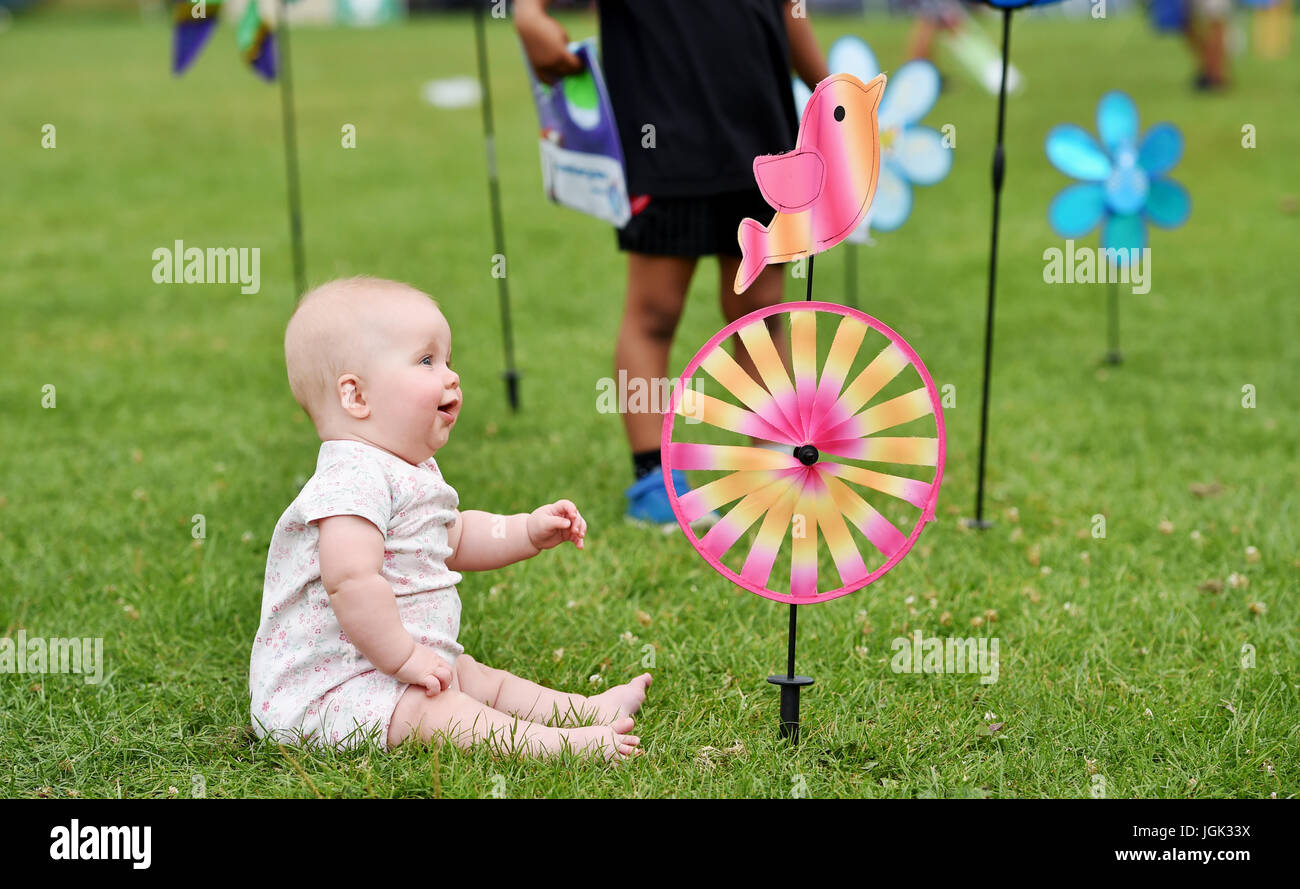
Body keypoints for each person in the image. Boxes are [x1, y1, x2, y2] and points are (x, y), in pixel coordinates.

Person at [250, 277, 648, 760]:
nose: (451, 376)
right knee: (433, 710)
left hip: (387, 665)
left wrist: (525, 529)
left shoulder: (407, 468)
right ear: (356, 397)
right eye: (425, 361)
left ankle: (585, 709)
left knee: (476, 677)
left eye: (447, 359)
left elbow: (452, 537)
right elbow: (350, 580)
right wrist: (405, 657)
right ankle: (559, 745)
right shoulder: (351, 479)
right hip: (330, 690)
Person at [516, 0, 829, 530]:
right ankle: (652, 478)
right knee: (654, 312)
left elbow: (790, 10)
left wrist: (831, 98)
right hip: (659, 140)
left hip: (763, 138)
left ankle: (775, 459)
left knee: (761, 310)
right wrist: (528, 16)